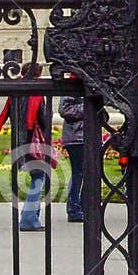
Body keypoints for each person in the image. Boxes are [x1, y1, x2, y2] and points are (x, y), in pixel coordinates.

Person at [0, 63, 52, 231]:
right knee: (39, 177)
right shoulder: (37, 93)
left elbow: (4, 115)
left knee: (36, 176)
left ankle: (32, 217)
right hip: (33, 142)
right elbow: (43, 120)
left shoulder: (15, 91)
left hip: (18, 140)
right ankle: (29, 219)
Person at [59, 83, 86, 223]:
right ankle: (74, 208)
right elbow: (64, 109)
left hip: (85, 136)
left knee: (86, 173)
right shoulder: (72, 87)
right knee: (79, 173)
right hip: (76, 138)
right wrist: (89, 106)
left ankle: (82, 206)